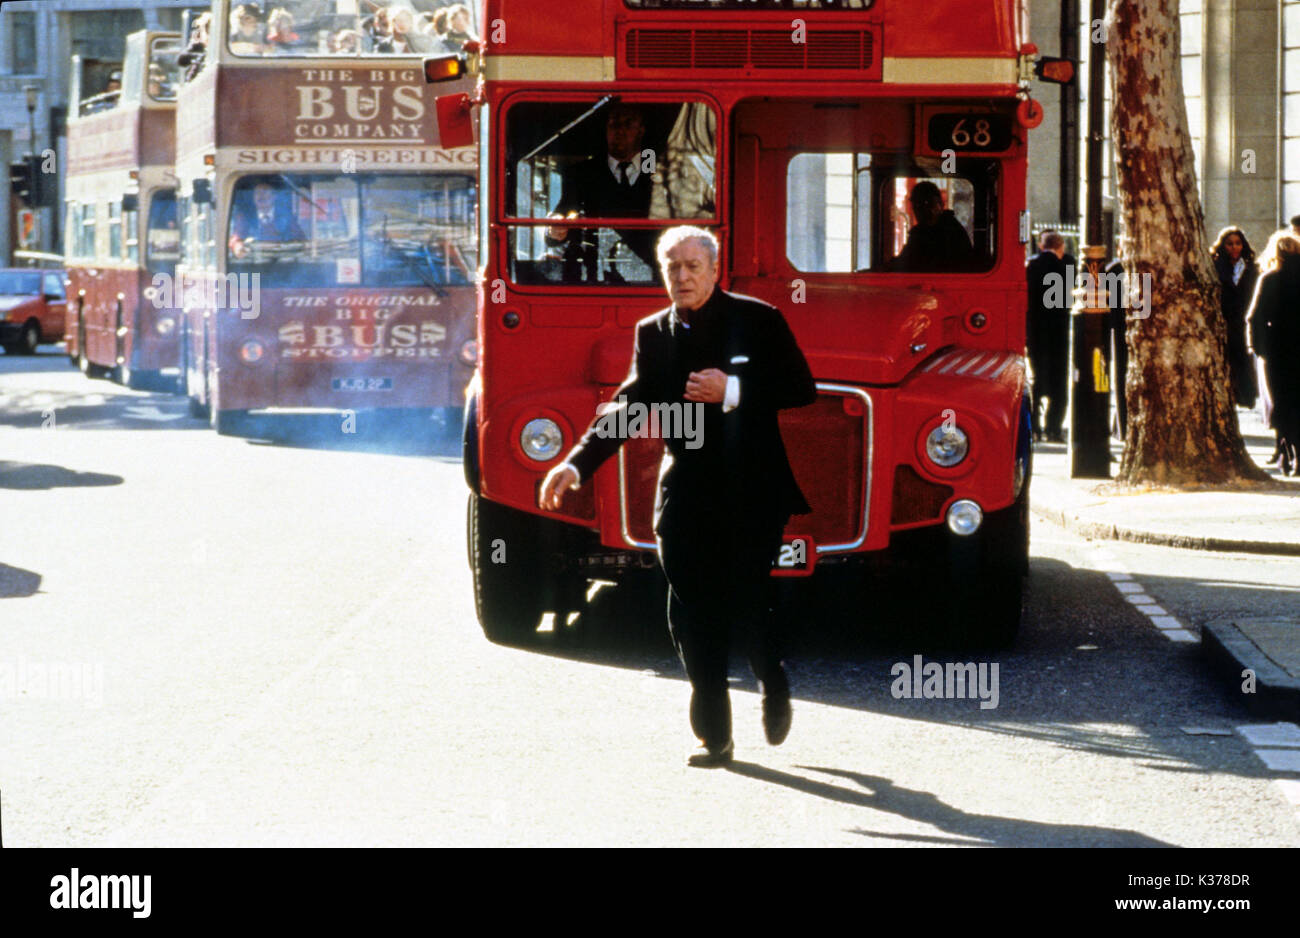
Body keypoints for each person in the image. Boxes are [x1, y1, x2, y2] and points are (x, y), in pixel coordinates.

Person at [539, 226, 817, 767]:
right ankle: (714, 735)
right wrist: (576, 462)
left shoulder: (758, 320)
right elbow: (629, 405)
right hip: (686, 493)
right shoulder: (653, 333)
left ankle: (772, 676)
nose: (683, 277)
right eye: (673, 268)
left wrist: (733, 392)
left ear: (715, 270)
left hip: (753, 489)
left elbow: (801, 387)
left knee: (748, 601)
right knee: (691, 612)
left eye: (693, 266)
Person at [546, 103, 658, 280]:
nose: (620, 131)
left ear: (641, 131)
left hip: (651, 280)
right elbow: (562, 214)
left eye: (628, 124)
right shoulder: (583, 173)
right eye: (614, 124)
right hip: (595, 277)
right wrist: (554, 228)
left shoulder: (658, 170)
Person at [1246, 230, 1300, 476]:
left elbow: (1255, 318)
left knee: (1280, 401)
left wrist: (1258, 348)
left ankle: (1286, 449)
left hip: (1277, 348)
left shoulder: (1269, 279)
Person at [1025, 230, 1074, 442]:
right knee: (1059, 381)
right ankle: (1053, 427)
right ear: (1060, 247)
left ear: (1041, 246)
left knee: (1036, 379)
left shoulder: (1031, 266)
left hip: (1035, 330)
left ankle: (1034, 427)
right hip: (1058, 330)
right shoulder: (1067, 265)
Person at [1210, 227, 1259, 409]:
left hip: (1244, 320)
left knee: (1243, 360)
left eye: (1237, 243)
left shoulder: (1251, 268)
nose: (1234, 248)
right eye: (1230, 244)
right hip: (1224, 320)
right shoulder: (1215, 267)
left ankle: (1245, 395)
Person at [894, 180, 973, 272]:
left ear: (940, 204)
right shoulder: (920, 233)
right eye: (916, 205)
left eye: (927, 204)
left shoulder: (951, 232)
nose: (922, 210)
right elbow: (905, 260)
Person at [228, 182, 307, 258]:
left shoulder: (286, 217)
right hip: (254, 263)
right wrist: (237, 246)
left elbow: (301, 240)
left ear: (274, 197)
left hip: (282, 262)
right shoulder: (245, 217)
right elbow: (236, 238)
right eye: (257, 193)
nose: (261, 196)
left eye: (265, 192)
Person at [1105, 254, 1128, 439]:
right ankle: (1122, 426)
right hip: (1121, 330)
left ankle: (1121, 425)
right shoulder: (1116, 270)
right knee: (1122, 377)